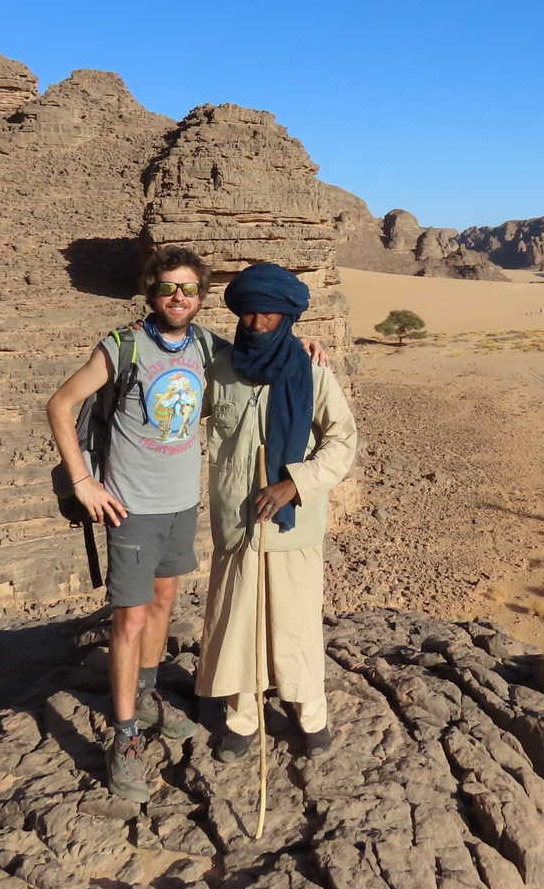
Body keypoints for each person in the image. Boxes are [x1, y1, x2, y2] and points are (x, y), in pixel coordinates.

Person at [45, 247, 326, 802]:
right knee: (128, 620)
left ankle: (146, 699)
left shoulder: (204, 347)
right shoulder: (122, 347)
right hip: (129, 505)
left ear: (200, 298)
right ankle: (124, 736)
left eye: (190, 289)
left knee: (162, 606)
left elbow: (258, 357)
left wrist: (302, 346)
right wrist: (83, 483)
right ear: (151, 292)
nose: (179, 297)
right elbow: (60, 404)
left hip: (180, 505)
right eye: (169, 287)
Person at [196, 262, 357, 761]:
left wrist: (294, 483)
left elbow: (343, 442)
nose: (257, 323)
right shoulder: (219, 369)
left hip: (294, 528)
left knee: (295, 623)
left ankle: (310, 716)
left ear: (287, 317)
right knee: (239, 619)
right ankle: (242, 720)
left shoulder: (312, 372)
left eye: (267, 314)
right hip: (237, 523)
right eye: (248, 313)